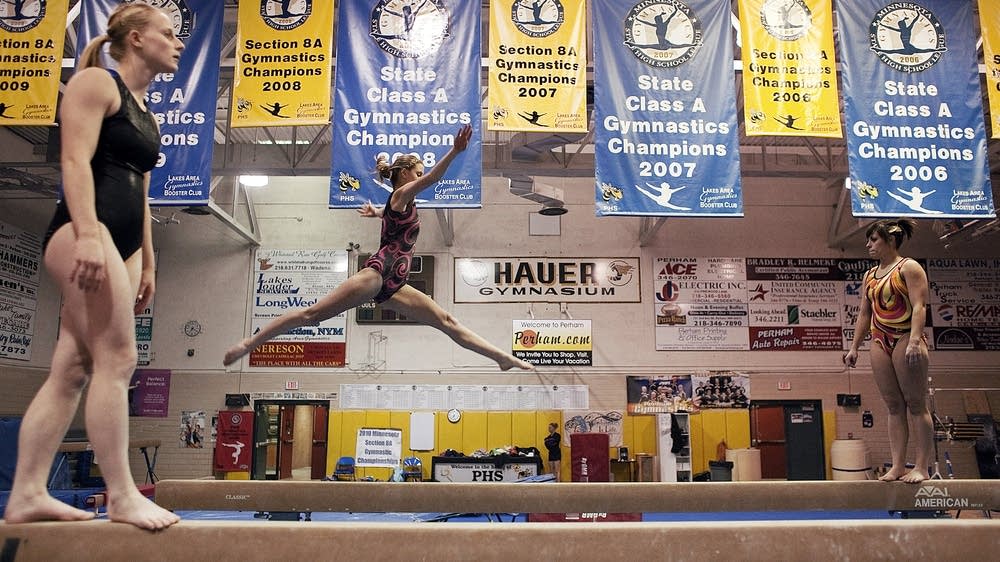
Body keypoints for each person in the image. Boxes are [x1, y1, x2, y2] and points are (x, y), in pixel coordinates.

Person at [1, 4, 184, 530]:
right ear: (134, 38)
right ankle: (122, 495)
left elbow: (143, 197)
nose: (177, 44)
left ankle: (28, 493)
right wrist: (85, 233)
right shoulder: (94, 85)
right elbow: (74, 162)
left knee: (72, 369)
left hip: (122, 242)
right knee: (118, 359)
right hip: (84, 230)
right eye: (167, 34)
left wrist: (148, 263)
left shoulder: (146, 114)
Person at [223, 124, 533, 372]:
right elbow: (435, 179)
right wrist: (454, 151)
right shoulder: (402, 193)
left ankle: (501, 358)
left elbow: (396, 218)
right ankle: (250, 343)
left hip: (395, 285)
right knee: (311, 315)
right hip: (377, 274)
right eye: (417, 172)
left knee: (447, 322)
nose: (421, 176)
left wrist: (378, 213)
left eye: (421, 173)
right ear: (404, 175)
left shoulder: (399, 202)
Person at [844, 218, 932, 483]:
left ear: (890, 240)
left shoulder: (909, 267)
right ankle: (897, 466)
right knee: (894, 406)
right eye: (868, 240)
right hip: (880, 340)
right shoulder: (869, 276)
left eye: (874, 240)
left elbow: (919, 306)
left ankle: (922, 467)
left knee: (916, 403)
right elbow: (863, 313)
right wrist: (854, 347)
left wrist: (916, 339)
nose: (868, 245)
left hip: (905, 336)